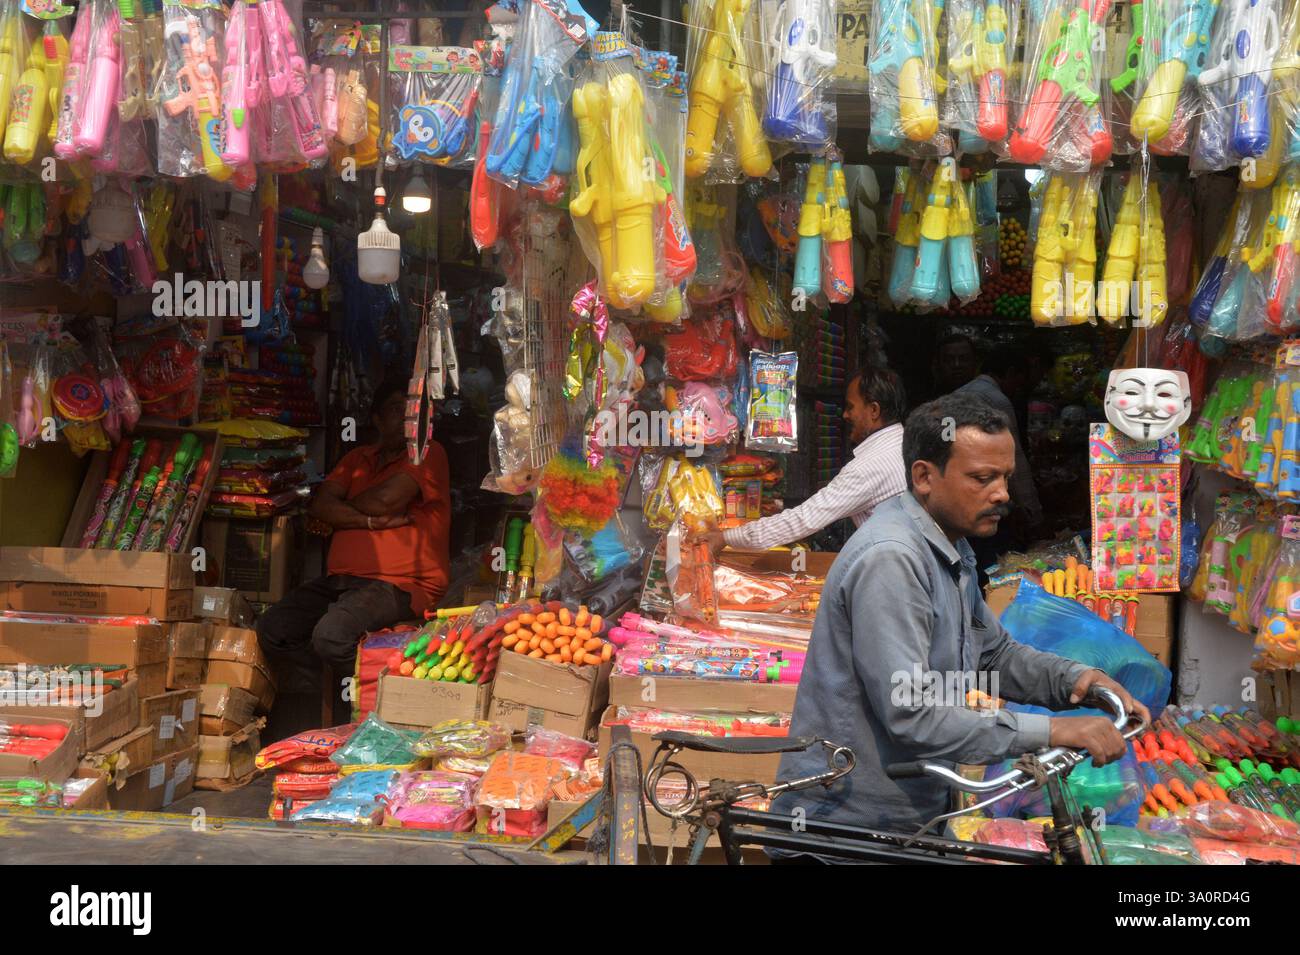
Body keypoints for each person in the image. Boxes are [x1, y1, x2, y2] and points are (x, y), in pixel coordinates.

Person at [769, 395, 1148, 858]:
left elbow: (994, 655)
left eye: (1005, 477)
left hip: (912, 815)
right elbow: (912, 709)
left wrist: (1081, 681)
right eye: (982, 478)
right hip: (850, 829)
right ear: (925, 477)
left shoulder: (951, 547)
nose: (1003, 494)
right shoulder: (892, 559)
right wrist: (1053, 732)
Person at [257, 378, 451, 719]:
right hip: (342, 581)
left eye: (412, 411)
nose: (407, 417)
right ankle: (329, 691)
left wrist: (347, 506)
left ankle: (387, 708)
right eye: (396, 409)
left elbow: (386, 498)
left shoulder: (428, 452)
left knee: (331, 636)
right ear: (375, 419)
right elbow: (319, 506)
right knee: (273, 629)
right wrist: (370, 521)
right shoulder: (357, 457)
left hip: (401, 584)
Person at [702, 366, 908, 553]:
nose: (845, 415)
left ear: (873, 410)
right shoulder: (903, 444)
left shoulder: (869, 466)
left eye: (851, 407)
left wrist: (726, 538)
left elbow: (805, 519)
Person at [956, 345, 1042, 554]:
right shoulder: (996, 400)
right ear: (1011, 373)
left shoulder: (960, 393)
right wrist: (1033, 512)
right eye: (1018, 383)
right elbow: (1015, 460)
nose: (1017, 390)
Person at [931, 333, 979, 398]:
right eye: (949, 360)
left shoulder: (988, 399)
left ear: (975, 363)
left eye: (964, 359)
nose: (957, 365)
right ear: (938, 365)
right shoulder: (927, 405)